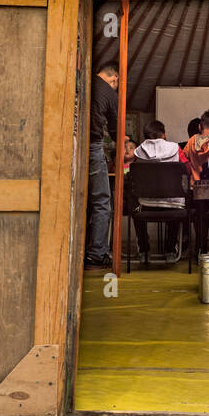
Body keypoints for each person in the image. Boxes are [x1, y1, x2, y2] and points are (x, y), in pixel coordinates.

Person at [131, 120, 186, 262]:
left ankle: (143, 251)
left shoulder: (138, 151)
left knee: (134, 206)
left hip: (146, 203)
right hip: (173, 204)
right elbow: (187, 168)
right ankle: (170, 251)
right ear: (164, 134)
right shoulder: (175, 148)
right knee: (175, 203)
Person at [84, 61, 119, 269]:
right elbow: (115, 130)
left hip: (72, 144)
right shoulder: (109, 92)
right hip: (93, 146)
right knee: (101, 200)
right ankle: (97, 253)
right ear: (114, 79)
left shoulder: (83, 82)